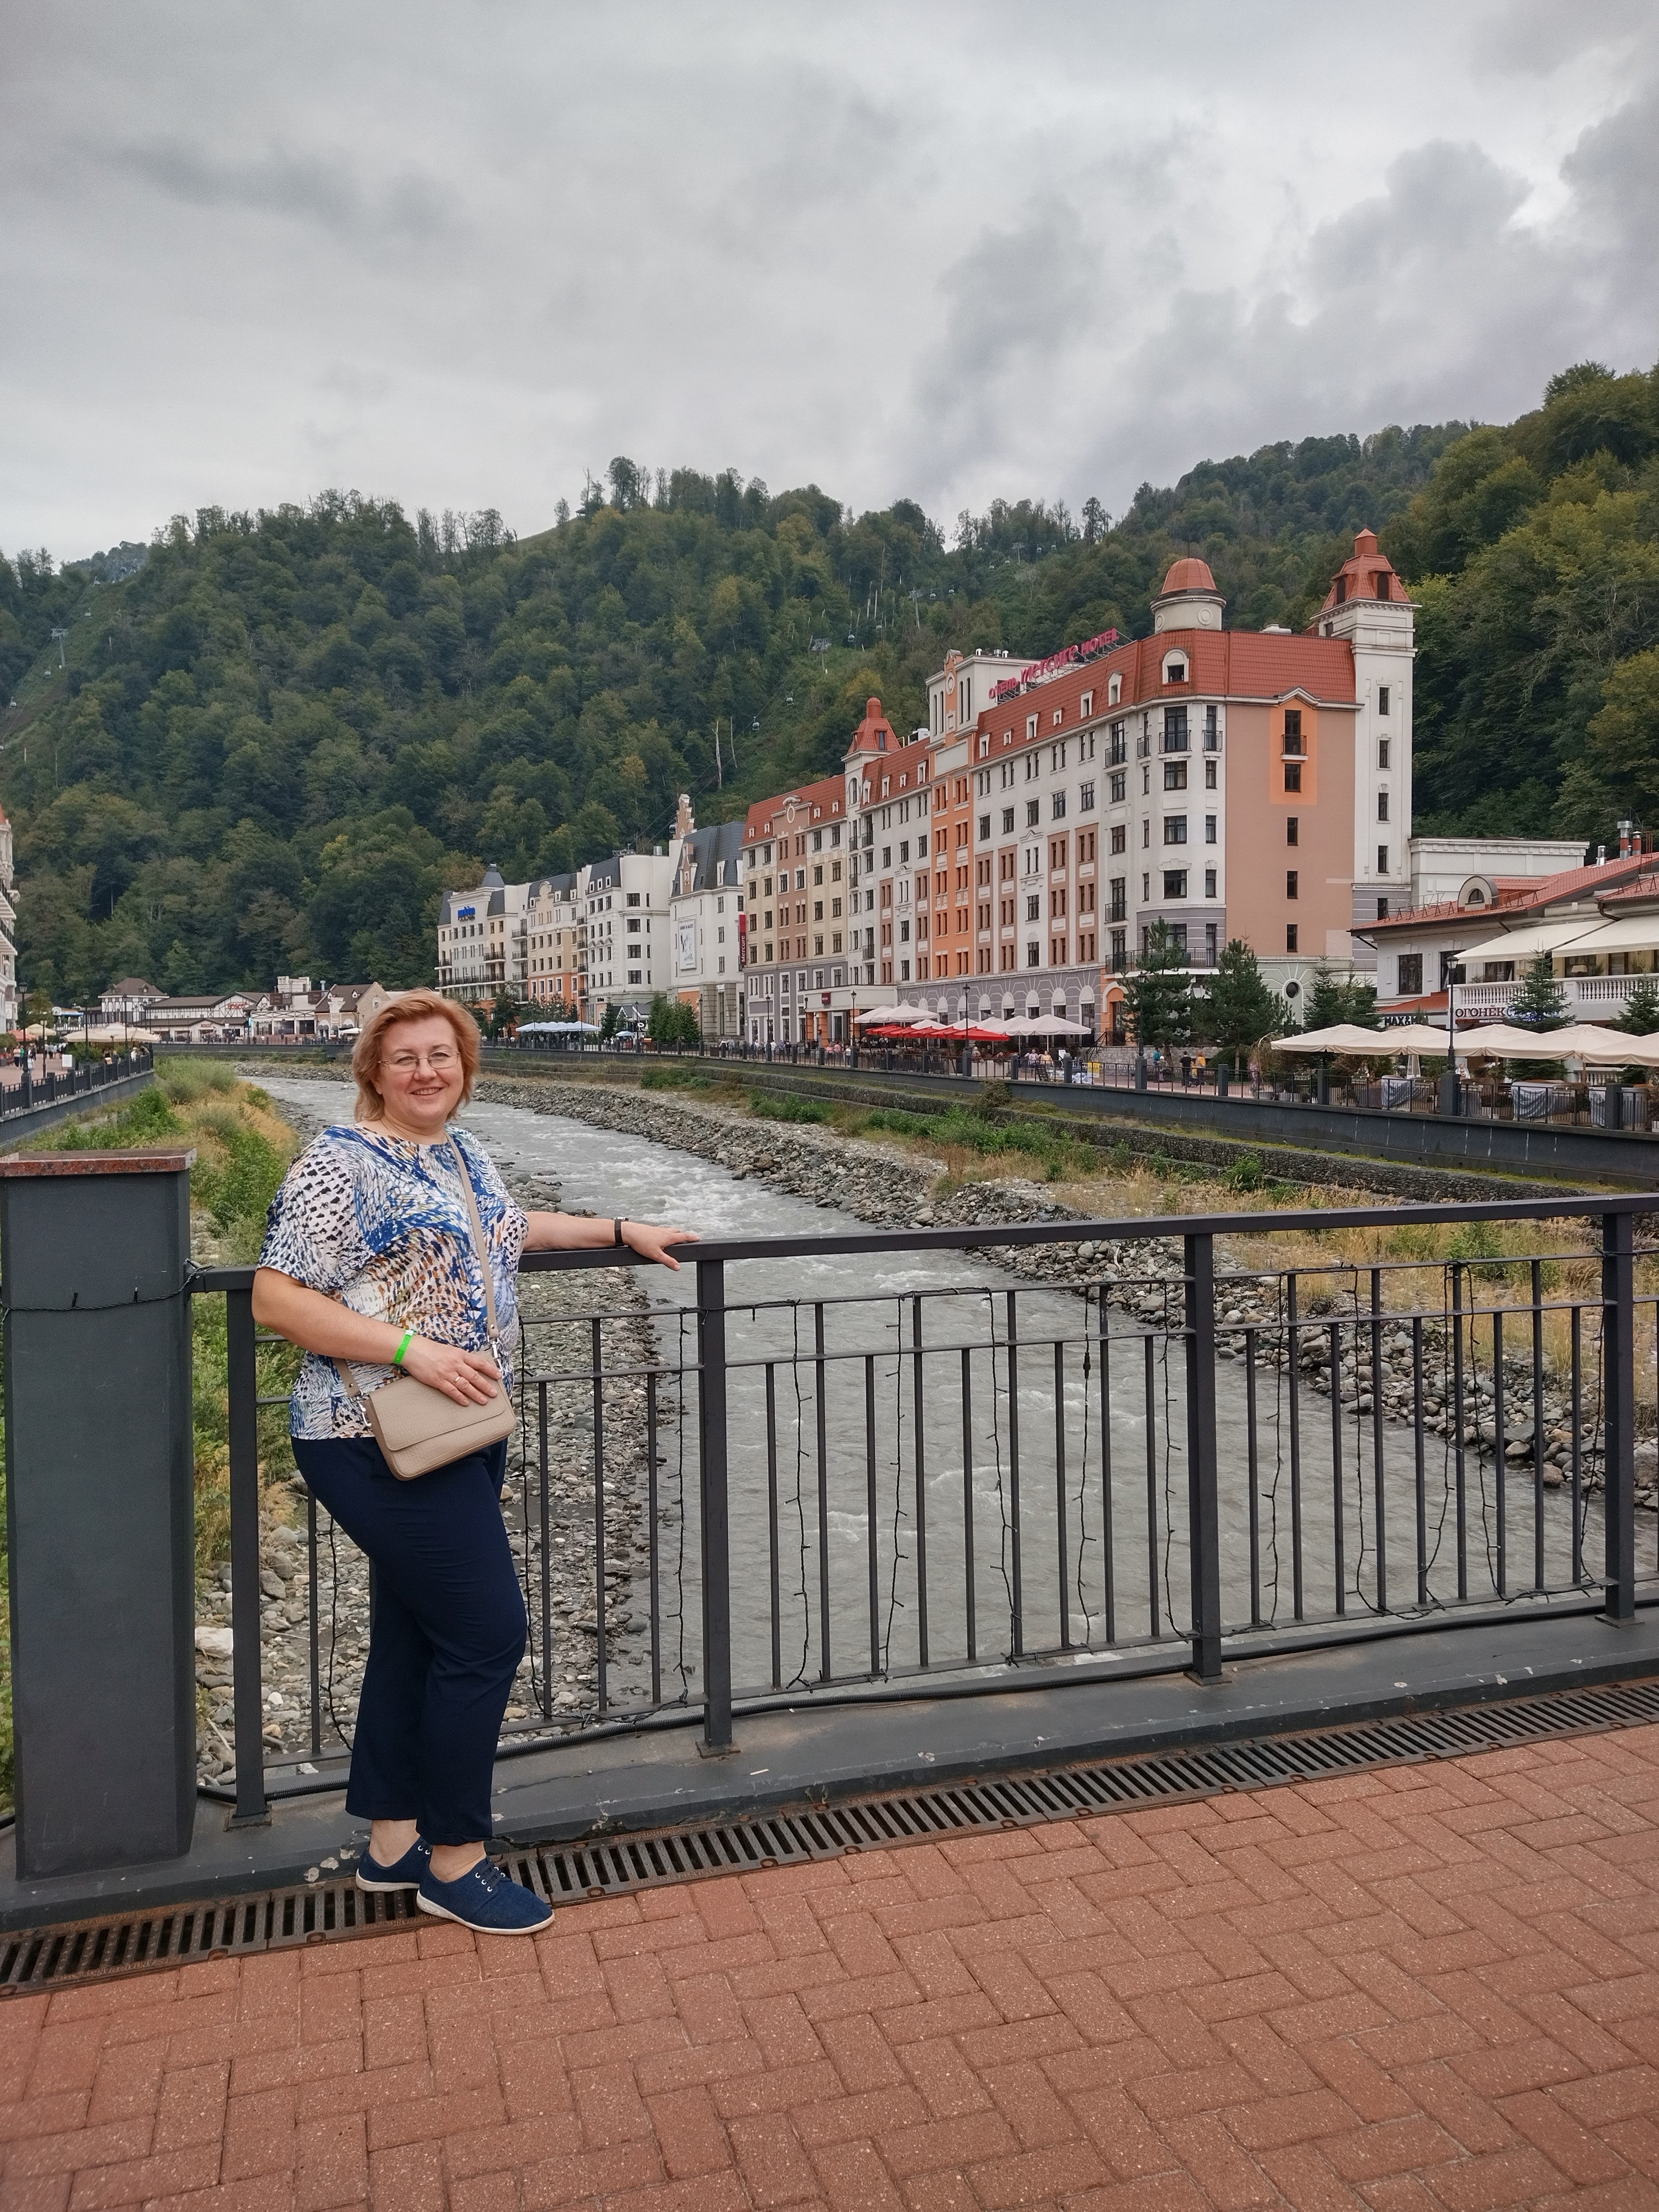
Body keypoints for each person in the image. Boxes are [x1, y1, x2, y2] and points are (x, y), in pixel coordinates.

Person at [252, 989, 695, 1936]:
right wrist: (412, 1351)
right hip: (366, 1434)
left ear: (465, 1068)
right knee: (488, 1635)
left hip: (457, 1429)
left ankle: (389, 1848)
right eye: (406, 1057)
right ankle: (455, 1861)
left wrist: (621, 1231)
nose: (426, 1072)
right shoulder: (342, 1163)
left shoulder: (457, 1152)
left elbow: (507, 1227)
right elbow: (276, 1299)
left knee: (420, 1634)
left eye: (441, 1056)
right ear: (373, 1070)